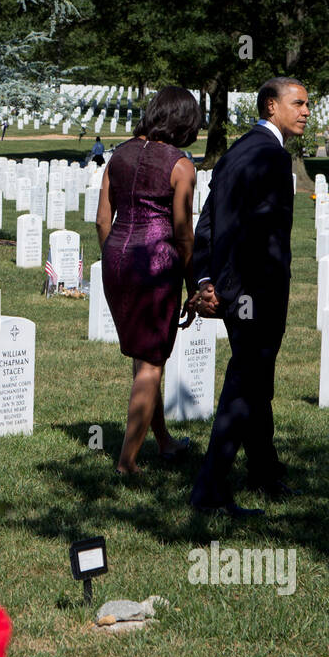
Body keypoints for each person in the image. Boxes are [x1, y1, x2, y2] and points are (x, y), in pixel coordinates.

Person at [188, 77, 309, 516]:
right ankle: (210, 491)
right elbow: (263, 237)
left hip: (230, 289)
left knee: (257, 384)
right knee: (243, 386)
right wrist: (241, 290)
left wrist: (205, 281)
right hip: (256, 292)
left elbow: (209, 225)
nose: (306, 111)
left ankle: (264, 472)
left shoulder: (234, 153)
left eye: (307, 104)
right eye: (298, 103)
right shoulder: (274, 157)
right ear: (271, 106)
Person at [95, 86, 202, 475]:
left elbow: (102, 220)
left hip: (116, 258)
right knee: (152, 363)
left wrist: (114, 258)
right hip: (156, 265)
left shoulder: (116, 156)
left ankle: (163, 440)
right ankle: (127, 463)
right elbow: (183, 232)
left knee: (144, 357)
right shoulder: (181, 166)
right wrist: (193, 283)